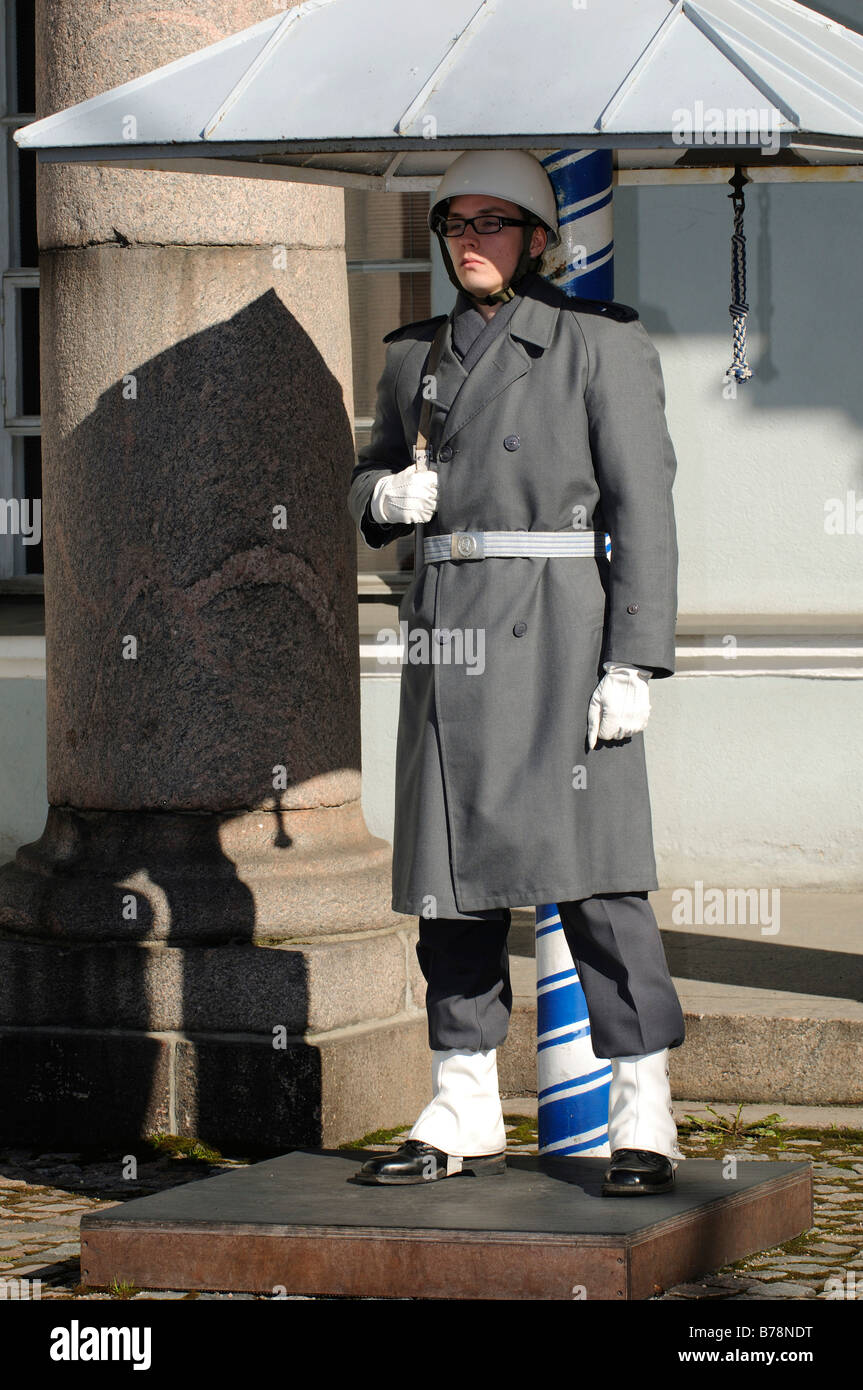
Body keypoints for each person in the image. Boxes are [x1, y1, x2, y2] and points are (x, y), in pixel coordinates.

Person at [346, 150, 685, 1196]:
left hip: (559, 631)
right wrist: (378, 501)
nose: (471, 241)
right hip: (449, 632)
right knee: (452, 893)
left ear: (537, 240)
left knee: (595, 888)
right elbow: (367, 473)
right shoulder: (412, 354)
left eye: (495, 224)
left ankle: (642, 1110)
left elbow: (644, 511)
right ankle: (462, 1102)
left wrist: (634, 657)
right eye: (456, 223)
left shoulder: (597, 344)